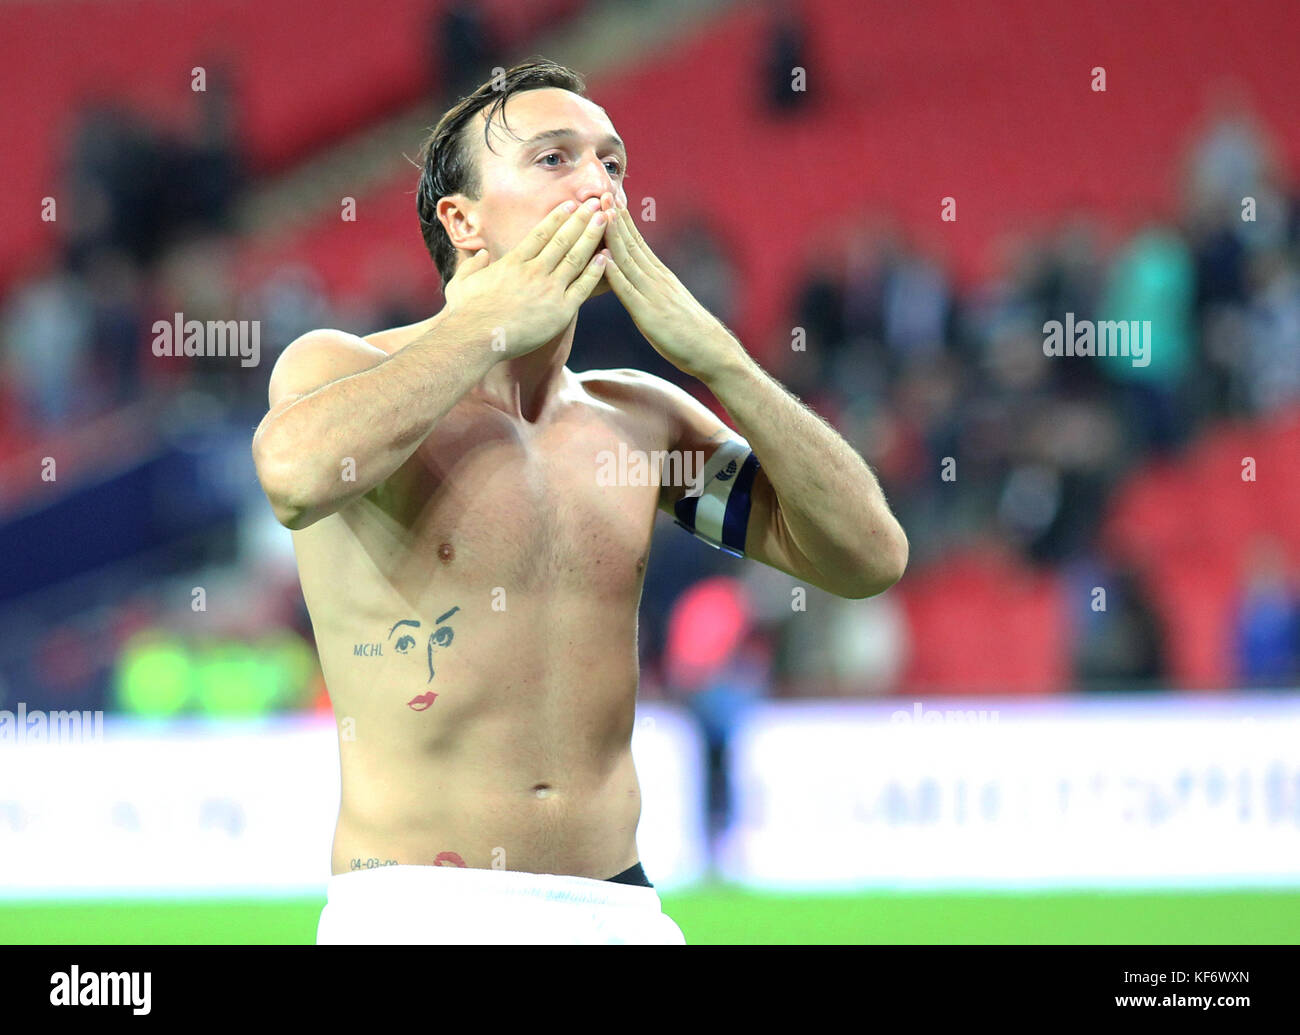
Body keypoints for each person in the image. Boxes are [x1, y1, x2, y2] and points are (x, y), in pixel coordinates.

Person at [251, 60, 908, 945]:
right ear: (463, 220)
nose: (599, 184)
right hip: (418, 911)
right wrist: (484, 325)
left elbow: (869, 557)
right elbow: (294, 477)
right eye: (555, 159)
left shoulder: (641, 421)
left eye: (612, 162)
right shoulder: (343, 367)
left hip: (618, 911)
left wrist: (718, 360)